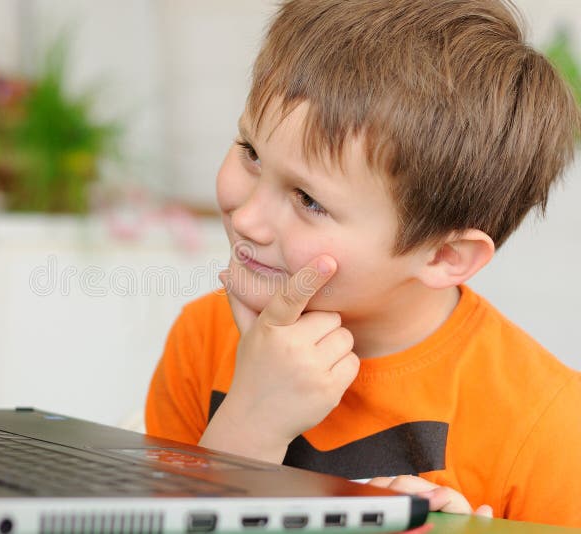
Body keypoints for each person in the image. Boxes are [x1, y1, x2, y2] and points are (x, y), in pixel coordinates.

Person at [145, 0, 581, 527]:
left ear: (444, 255)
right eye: (250, 152)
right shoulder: (204, 338)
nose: (248, 218)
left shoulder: (550, 427)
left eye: (309, 199)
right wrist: (247, 427)